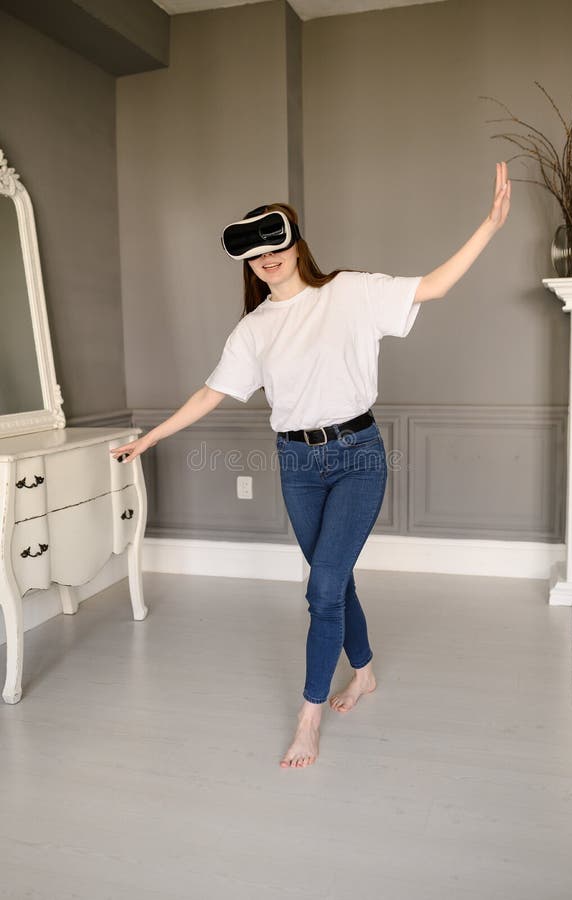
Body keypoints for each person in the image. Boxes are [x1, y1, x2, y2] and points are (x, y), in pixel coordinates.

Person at [110, 161, 511, 769]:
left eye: (276, 242)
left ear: (297, 242)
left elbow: (432, 286)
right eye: (253, 253)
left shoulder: (349, 291)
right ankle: (366, 673)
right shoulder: (253, 329)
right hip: (296, 463)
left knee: (321, 587)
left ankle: (309, 714)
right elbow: (210, 393)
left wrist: (488, 226)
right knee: (336, 580)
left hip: (358, 455)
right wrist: (150, 439)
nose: (266, 258)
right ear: (246, 263)